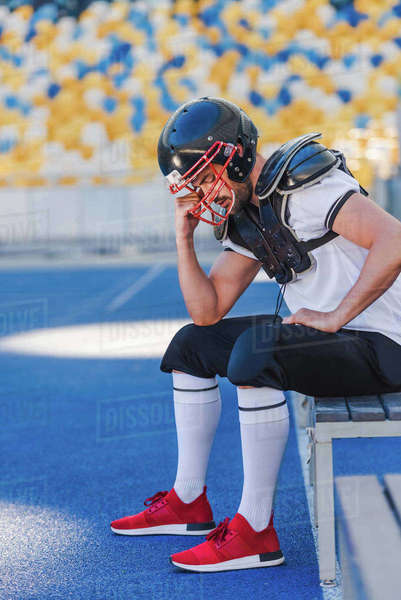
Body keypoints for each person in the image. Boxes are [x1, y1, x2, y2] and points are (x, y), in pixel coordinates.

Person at [111, 97, 401, 573]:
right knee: (191, 345)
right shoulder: (251, 210)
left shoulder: (306, 187)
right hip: (337, 340)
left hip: (385, 343)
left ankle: (254, 530)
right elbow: (207, 312)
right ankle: (189, 502)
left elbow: (394, 239)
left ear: (236, 156)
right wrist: (183, 242)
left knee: (255, 353)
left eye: (205, 177)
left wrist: (335, 315)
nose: (202, 193)